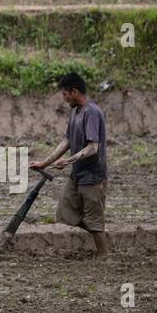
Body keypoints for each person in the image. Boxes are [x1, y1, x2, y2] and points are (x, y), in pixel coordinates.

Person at [30, 72, 111, 258]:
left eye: (65, 95)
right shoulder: (75, 112)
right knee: (65, 211)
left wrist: (68, 161)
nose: (64, 99)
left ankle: (103, 255)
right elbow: (66, 140)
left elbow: (93, 147)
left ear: (74, 92)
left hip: (93, 176)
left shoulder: (91, 112)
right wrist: (44, 162)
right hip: (78, 174)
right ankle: (98, 232)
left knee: (94, 219)